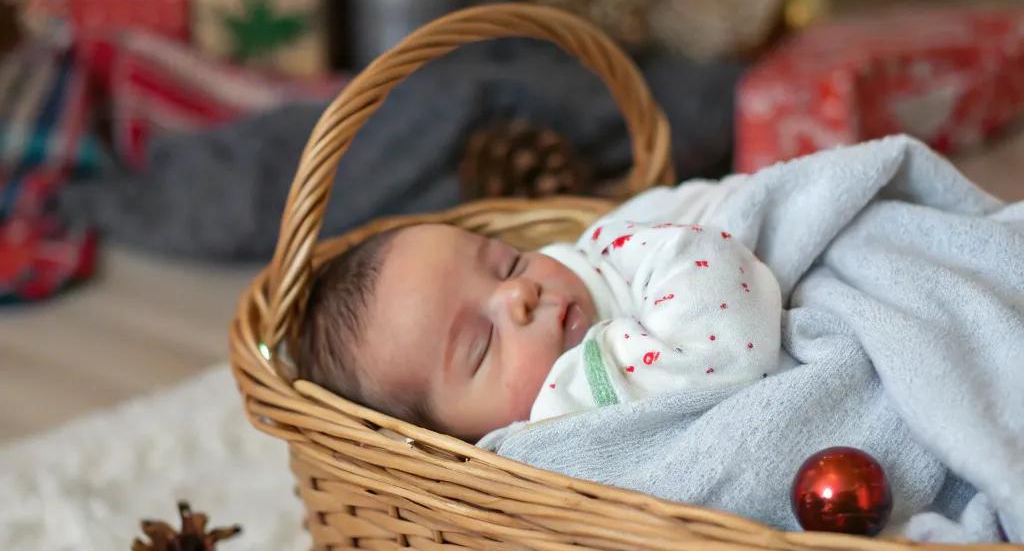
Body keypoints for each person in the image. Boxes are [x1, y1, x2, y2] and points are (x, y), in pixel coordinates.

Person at [295, 173, 781, 445]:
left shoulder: (621, 253)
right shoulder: (536, 457)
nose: (517, 295)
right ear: (447, 439)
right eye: (481, 346)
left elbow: (720, 275)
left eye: (508, 264)